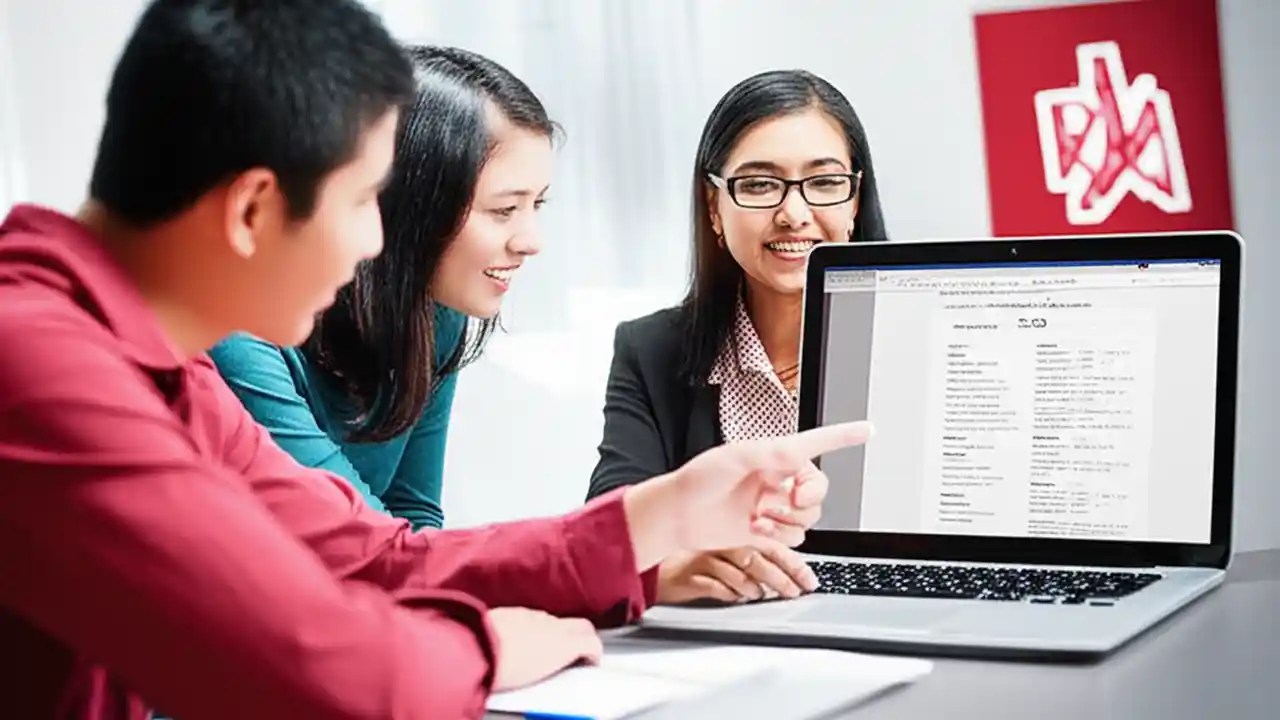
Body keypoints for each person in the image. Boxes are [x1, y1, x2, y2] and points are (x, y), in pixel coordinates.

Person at [0, 2, 872, 718]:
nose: (381, 241)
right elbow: (314, 669)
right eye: (360, 202)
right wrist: (486, 646)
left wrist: (657, 515)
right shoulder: (34, 363)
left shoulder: (162, 365)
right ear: (254, 210)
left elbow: (377, 558)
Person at [209, 46, 550, 531]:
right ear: (409, 203)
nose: (532, 242)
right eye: (503, 210)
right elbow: (356, 535)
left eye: (538, 203)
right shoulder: (241, 330)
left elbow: (414, 515)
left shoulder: (436, 315)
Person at [587, 70, 888, 605]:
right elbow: (604, 535)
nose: (793, 214)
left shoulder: (926, 342)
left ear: (855, 201)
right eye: (758, 184)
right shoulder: (650, 351)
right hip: (727, 634)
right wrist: (669, 569)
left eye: (823, 182)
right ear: (713, 207)